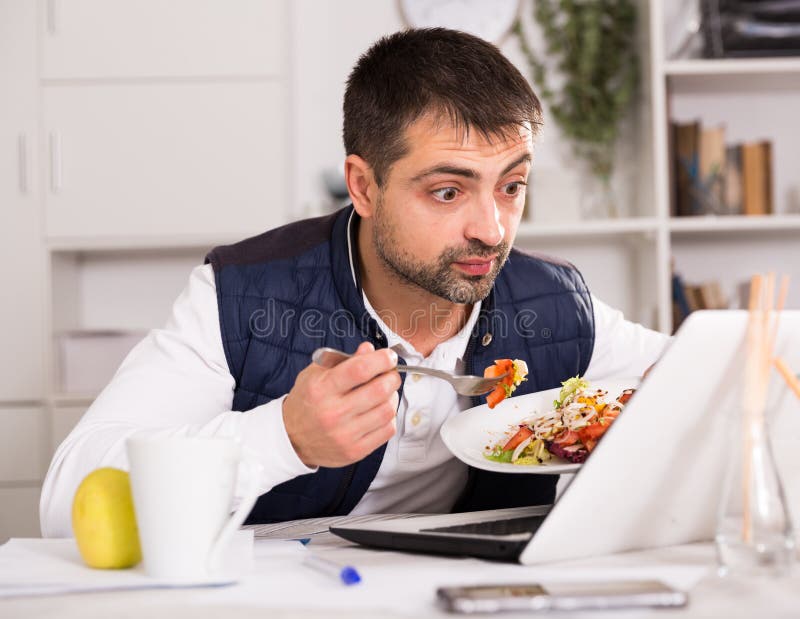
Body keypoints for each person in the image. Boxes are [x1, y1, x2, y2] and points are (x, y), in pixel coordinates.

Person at [40, 28, 668, 537]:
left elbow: (701, 380)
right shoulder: (242, 296)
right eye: (448, 191)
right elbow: (67, 501)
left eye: (511, 186)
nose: (492, 228)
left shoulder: (555, 304)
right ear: (364, 186)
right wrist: (284, 436)